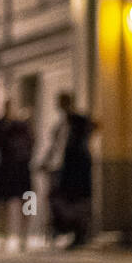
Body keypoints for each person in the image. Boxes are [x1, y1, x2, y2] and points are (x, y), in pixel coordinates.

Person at [41, 93, 96, 248]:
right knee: (62, 199)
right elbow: (54, 145)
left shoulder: (78, 120)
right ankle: (64, 230)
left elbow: (90, 130)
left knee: (77, 200)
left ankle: (79, 233)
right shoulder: (60, 125)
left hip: (77, 166)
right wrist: (45, 162)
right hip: (62, 167)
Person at [0, 99, 34, 252]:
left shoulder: (23, 126)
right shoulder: (0, 124)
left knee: (28, 201)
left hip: (23, 169)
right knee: (4, 204)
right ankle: (4, 237)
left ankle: (24, 237)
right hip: (6, 169)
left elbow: (31, 142)